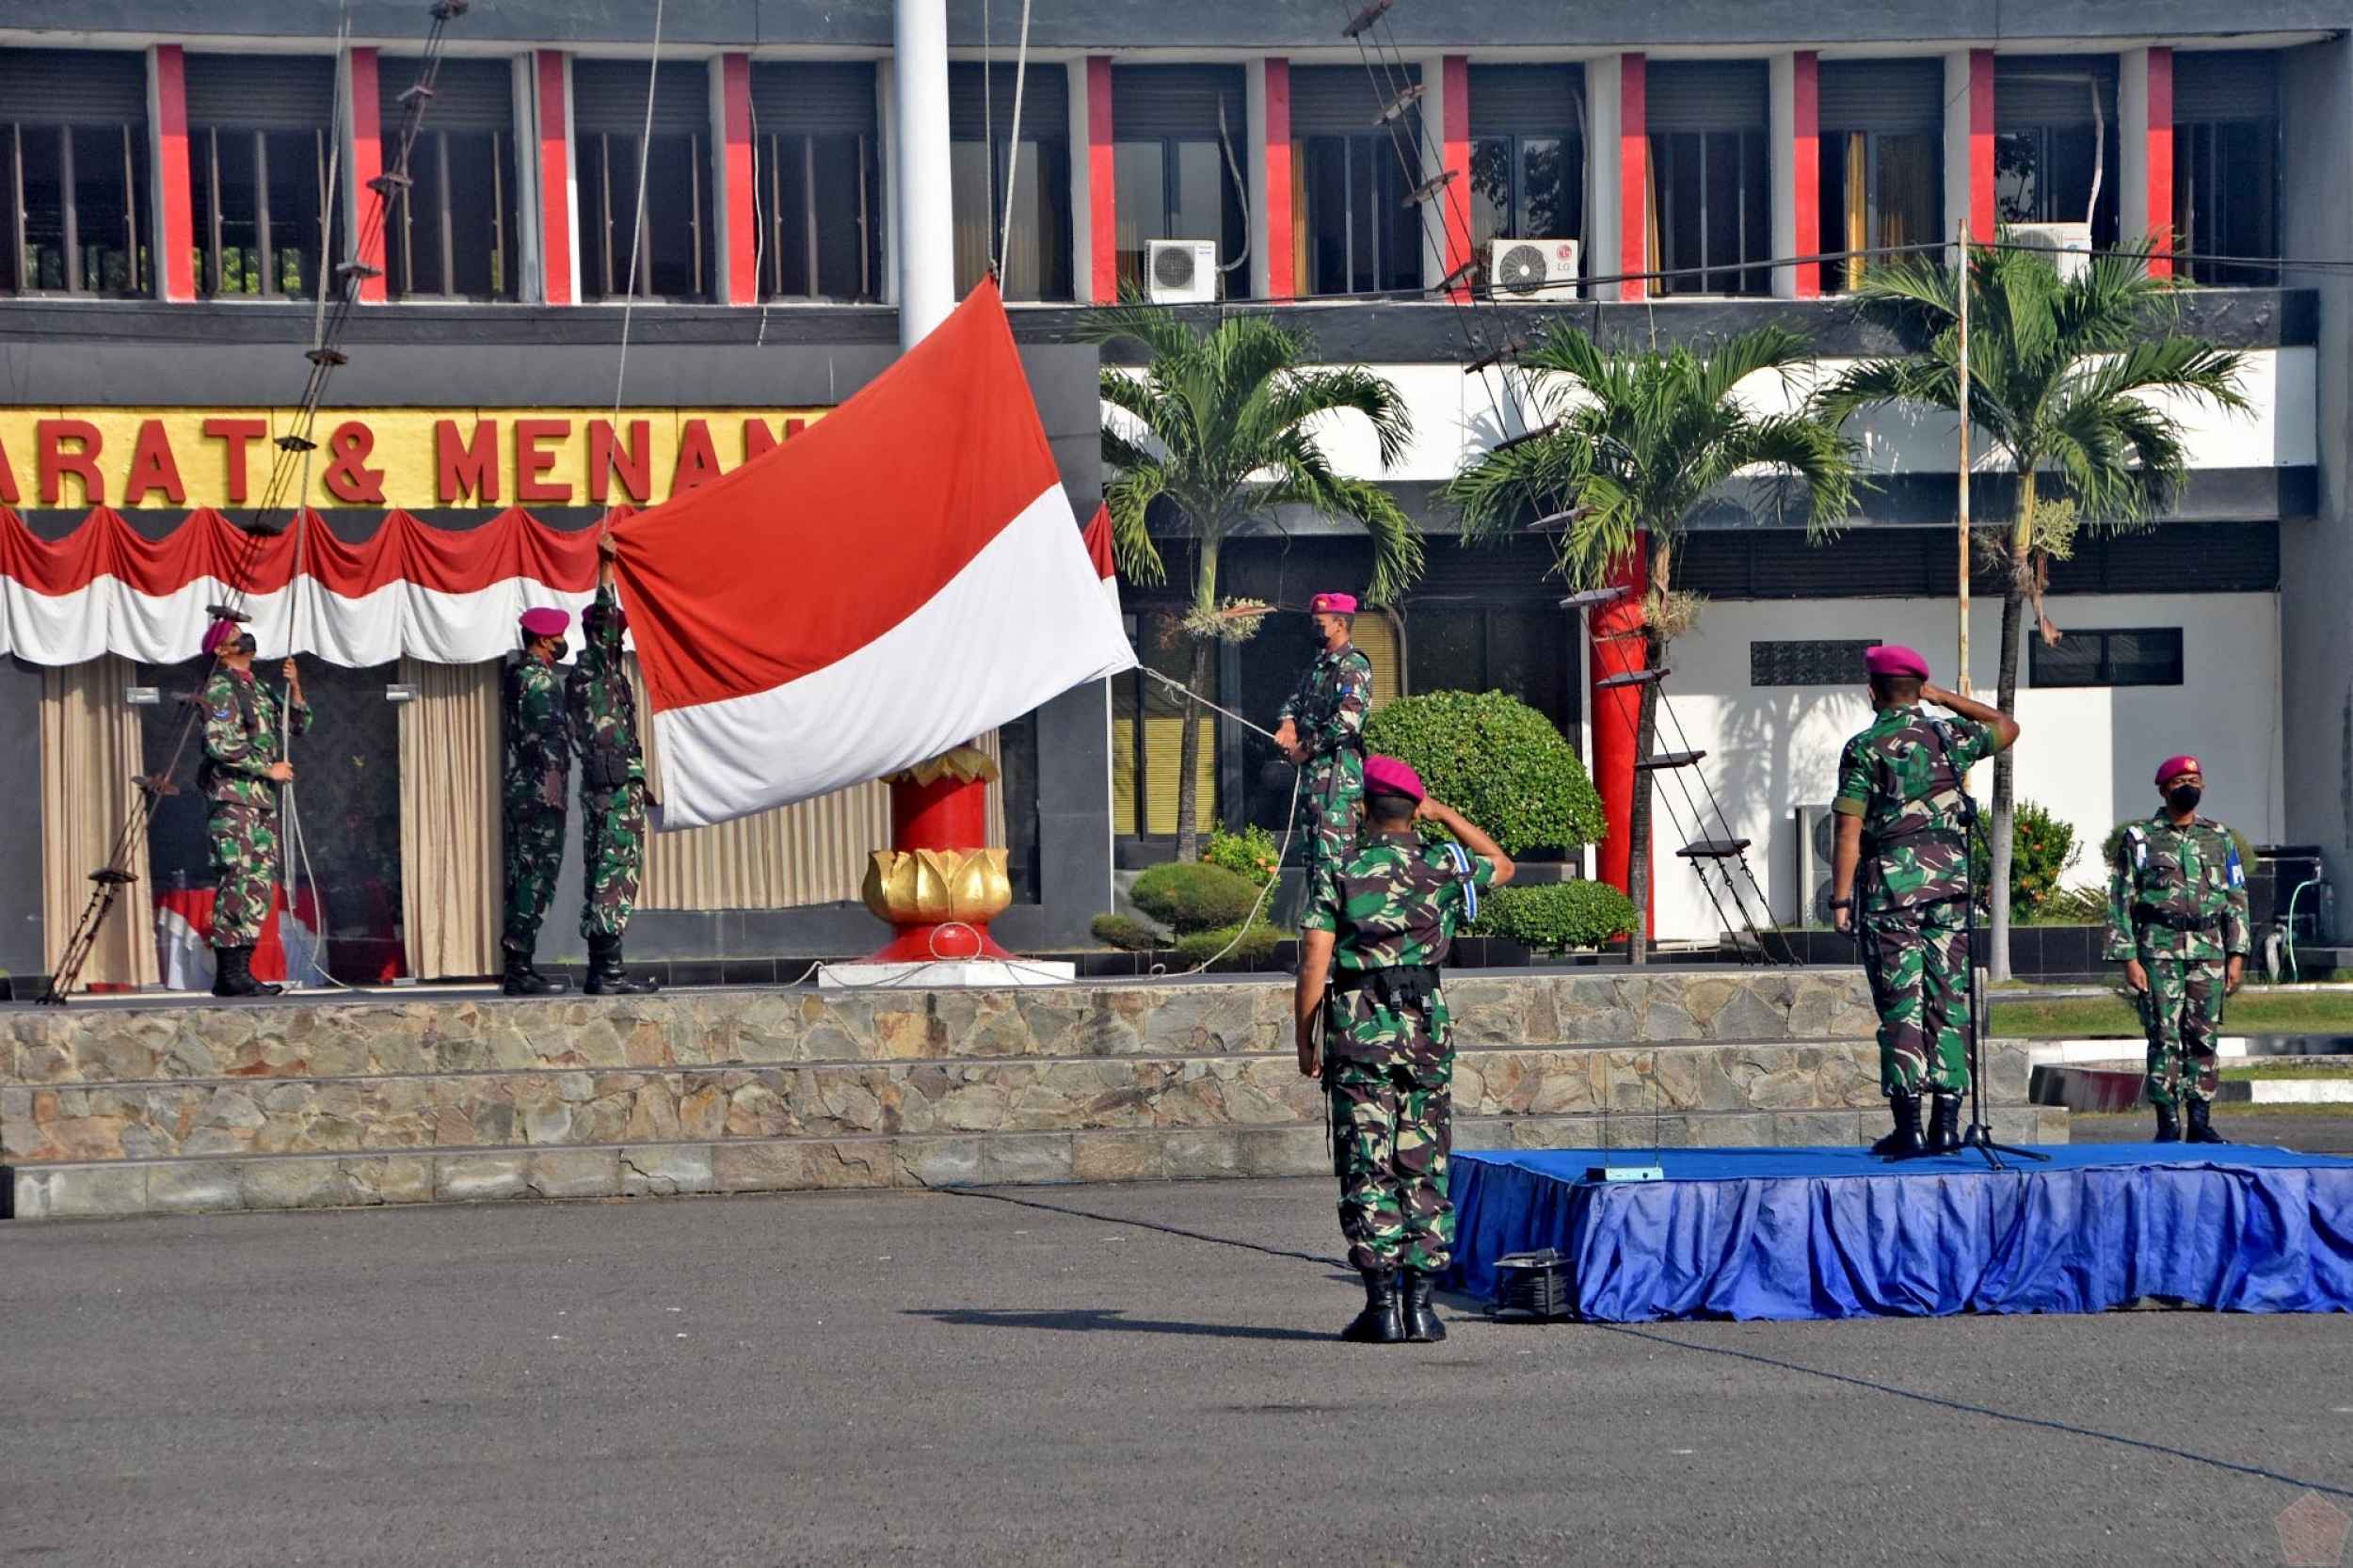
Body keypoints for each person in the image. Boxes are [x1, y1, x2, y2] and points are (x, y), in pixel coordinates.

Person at [1296, 754, 1513, 1345]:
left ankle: (1381, 1308)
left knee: (1369, 1161)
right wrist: (1443, 815)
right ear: (1414, 810)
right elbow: (1502, 863)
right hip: (1424, 1031)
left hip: (1360, 1029)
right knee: (1424, 1157)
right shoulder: (1442, 864)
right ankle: (1423, 1308)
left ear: (1364, 809)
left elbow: (1315, 957)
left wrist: (1304, 1035)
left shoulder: (1339, 869)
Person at [1828, 645, 2020, 1158]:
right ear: (1918, 690)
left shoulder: (1865, 747)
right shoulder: (1948, 735)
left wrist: (1840, 898)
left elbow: (1848, 829)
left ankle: (1909, 1125)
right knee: (1947, 1001)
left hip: (1891, 891)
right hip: (1949, 893)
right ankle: (1947, 1126)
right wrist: (1942, 699)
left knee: (1901, 1004)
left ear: (1873, 692)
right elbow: (2006, 725)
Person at [2105, 756, 2249, 1144]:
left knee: (2204, 1036)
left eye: (2195, 779)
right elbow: (2121, 899)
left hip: (2209, 952)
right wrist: (2129, 959)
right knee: (2164, 1036)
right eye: (2181, 780)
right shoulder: (2141, 838)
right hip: (2159, 951)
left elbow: (2236, 897)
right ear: (2164, 789)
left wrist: (2237, 955)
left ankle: (2200, 1120)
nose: (2189, 785)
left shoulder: (2219, 837)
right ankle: (2167, 1122)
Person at [196, 616, 310, 999]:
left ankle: (243, 970)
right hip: (234, 801)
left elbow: (295, 726)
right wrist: (267, 768)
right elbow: (220, 744)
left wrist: (294, 686)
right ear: (221, 650)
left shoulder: (257, 687)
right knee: (237, 881)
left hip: (259, 803)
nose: (243, 636)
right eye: (232, 635)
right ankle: (229, 972)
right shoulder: (219, 688)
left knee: (258, 885)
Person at [567, 535, 660, 996]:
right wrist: (606, 569)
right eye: (616, 632)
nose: (621, 638)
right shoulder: (598, 668)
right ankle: (611, 973)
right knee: (614, 877)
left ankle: (599, 971)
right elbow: (604, 617)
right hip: (613, 789)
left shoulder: (587, 679)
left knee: (600, 873)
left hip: (608, 785)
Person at [1272, 592, 1373, 912]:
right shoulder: (1318, 668)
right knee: (1315, 864)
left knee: (1336, 866)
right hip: (1314, 782)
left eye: (1320, 624)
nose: (1315, 629)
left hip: (1337, 781)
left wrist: (1306, 748)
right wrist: (1288, 723)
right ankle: (1322, 945)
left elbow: (1347, 720)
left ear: (1340, 624)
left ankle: (1344, 947)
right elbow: (1294, 702)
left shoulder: (1353, 666)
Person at [502, 605, 573, 996]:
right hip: (538, 791)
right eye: (559, 637)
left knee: (525, 875)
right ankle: (519, 967)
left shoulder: (518, 675)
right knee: (535, 878)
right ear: (545, 640)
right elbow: (546, 739)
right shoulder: (539, 681)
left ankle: (520, 965)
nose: (563, 643)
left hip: (524, 787)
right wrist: (553, 791)